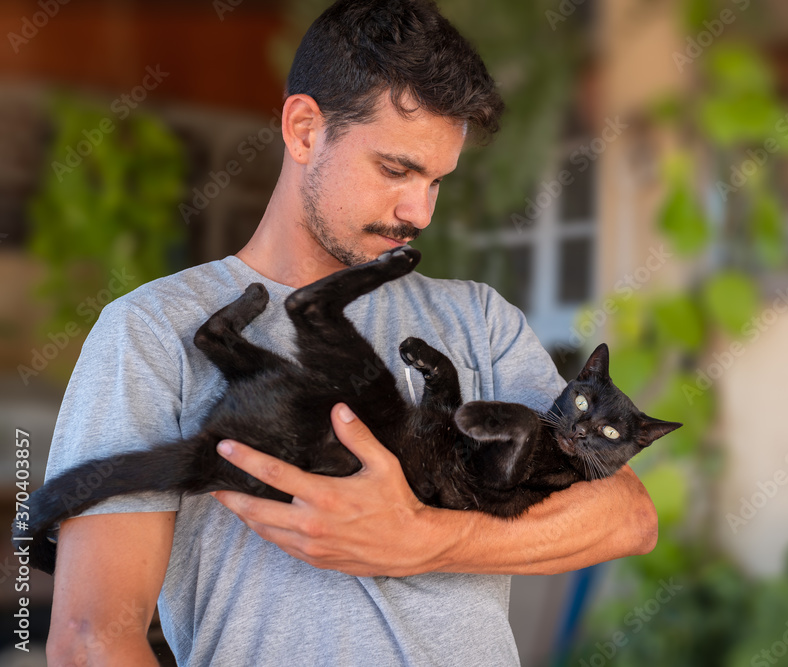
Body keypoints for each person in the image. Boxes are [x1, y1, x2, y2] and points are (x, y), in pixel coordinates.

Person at [43, 0, 658, 665]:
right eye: (396, 170)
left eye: (436, 181)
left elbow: (626, 516)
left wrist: (423, 537)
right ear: (304, 129)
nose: (418, 210)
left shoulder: (479, 318)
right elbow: (91, 640)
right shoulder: (151, 329)